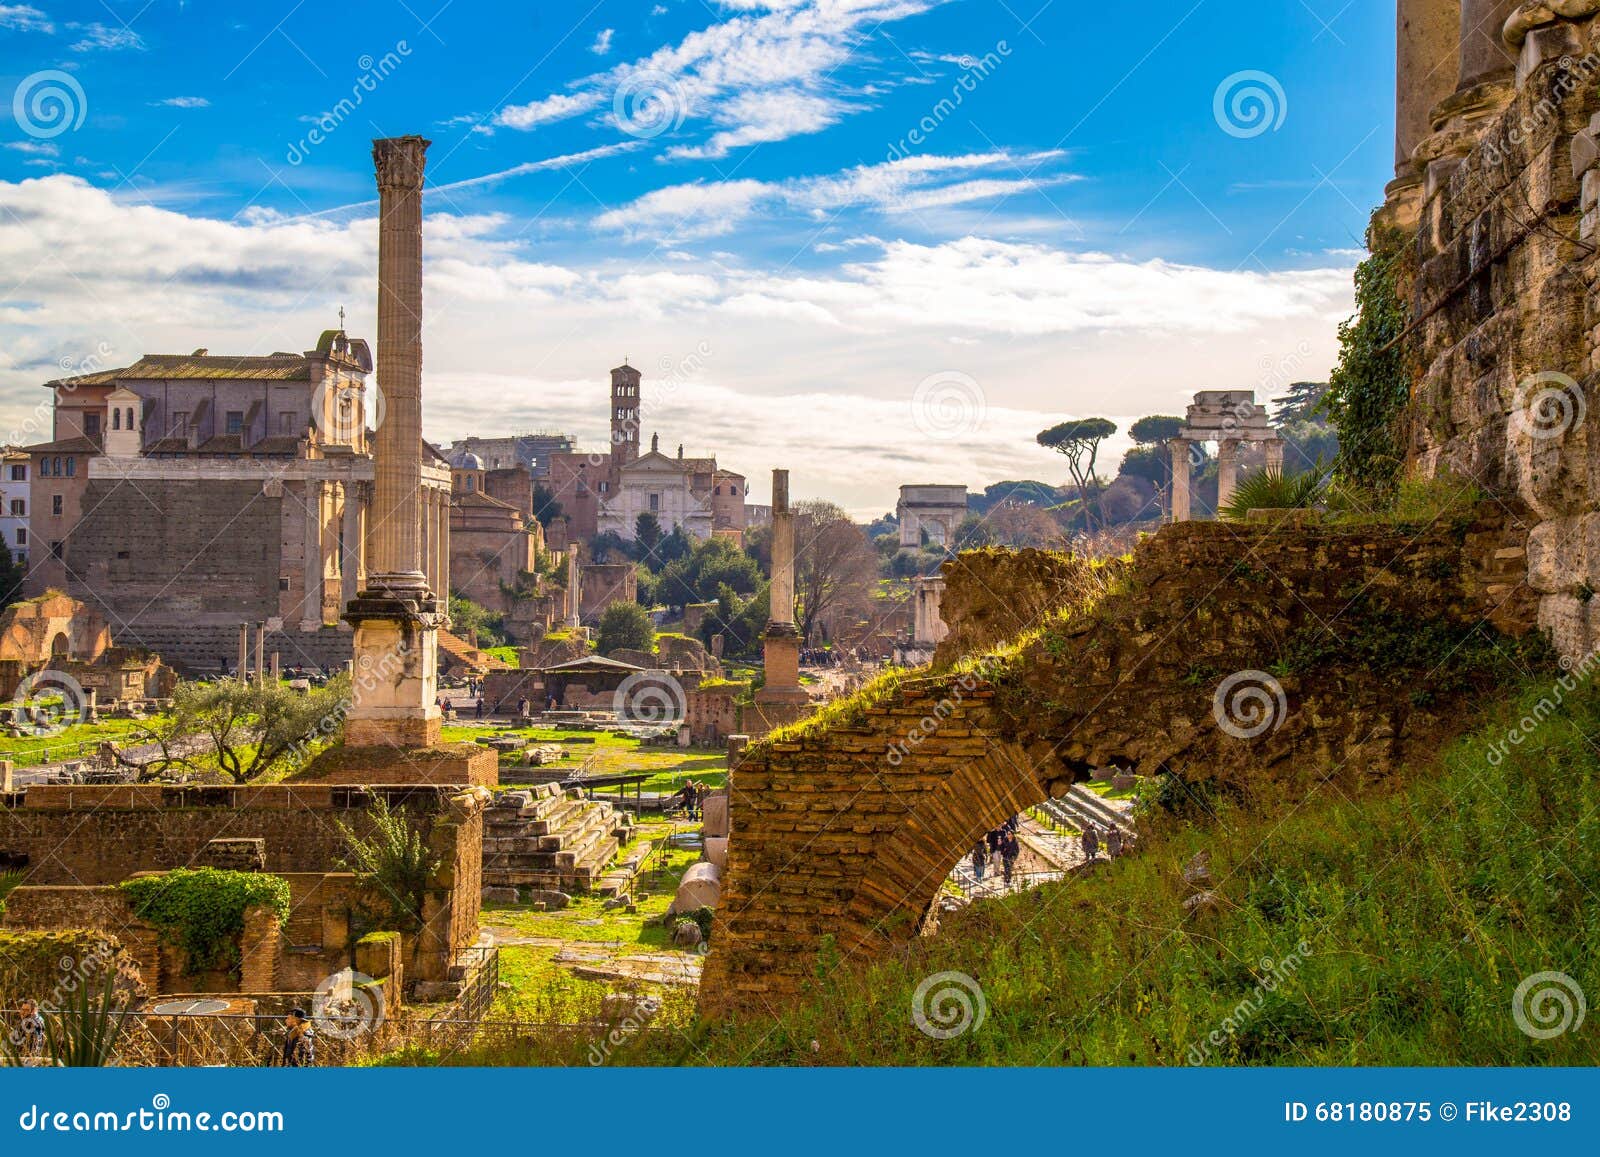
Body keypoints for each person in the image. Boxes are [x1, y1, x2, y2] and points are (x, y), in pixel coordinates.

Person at [15, 998, 45, 1065]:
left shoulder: (34, 1022)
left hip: (29, 1060)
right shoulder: (28, 1021)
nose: (22, 1012)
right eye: (22, 1009)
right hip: (26, 1058)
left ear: (34, 1010)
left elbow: (33, 1045)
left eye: (26, 1010)